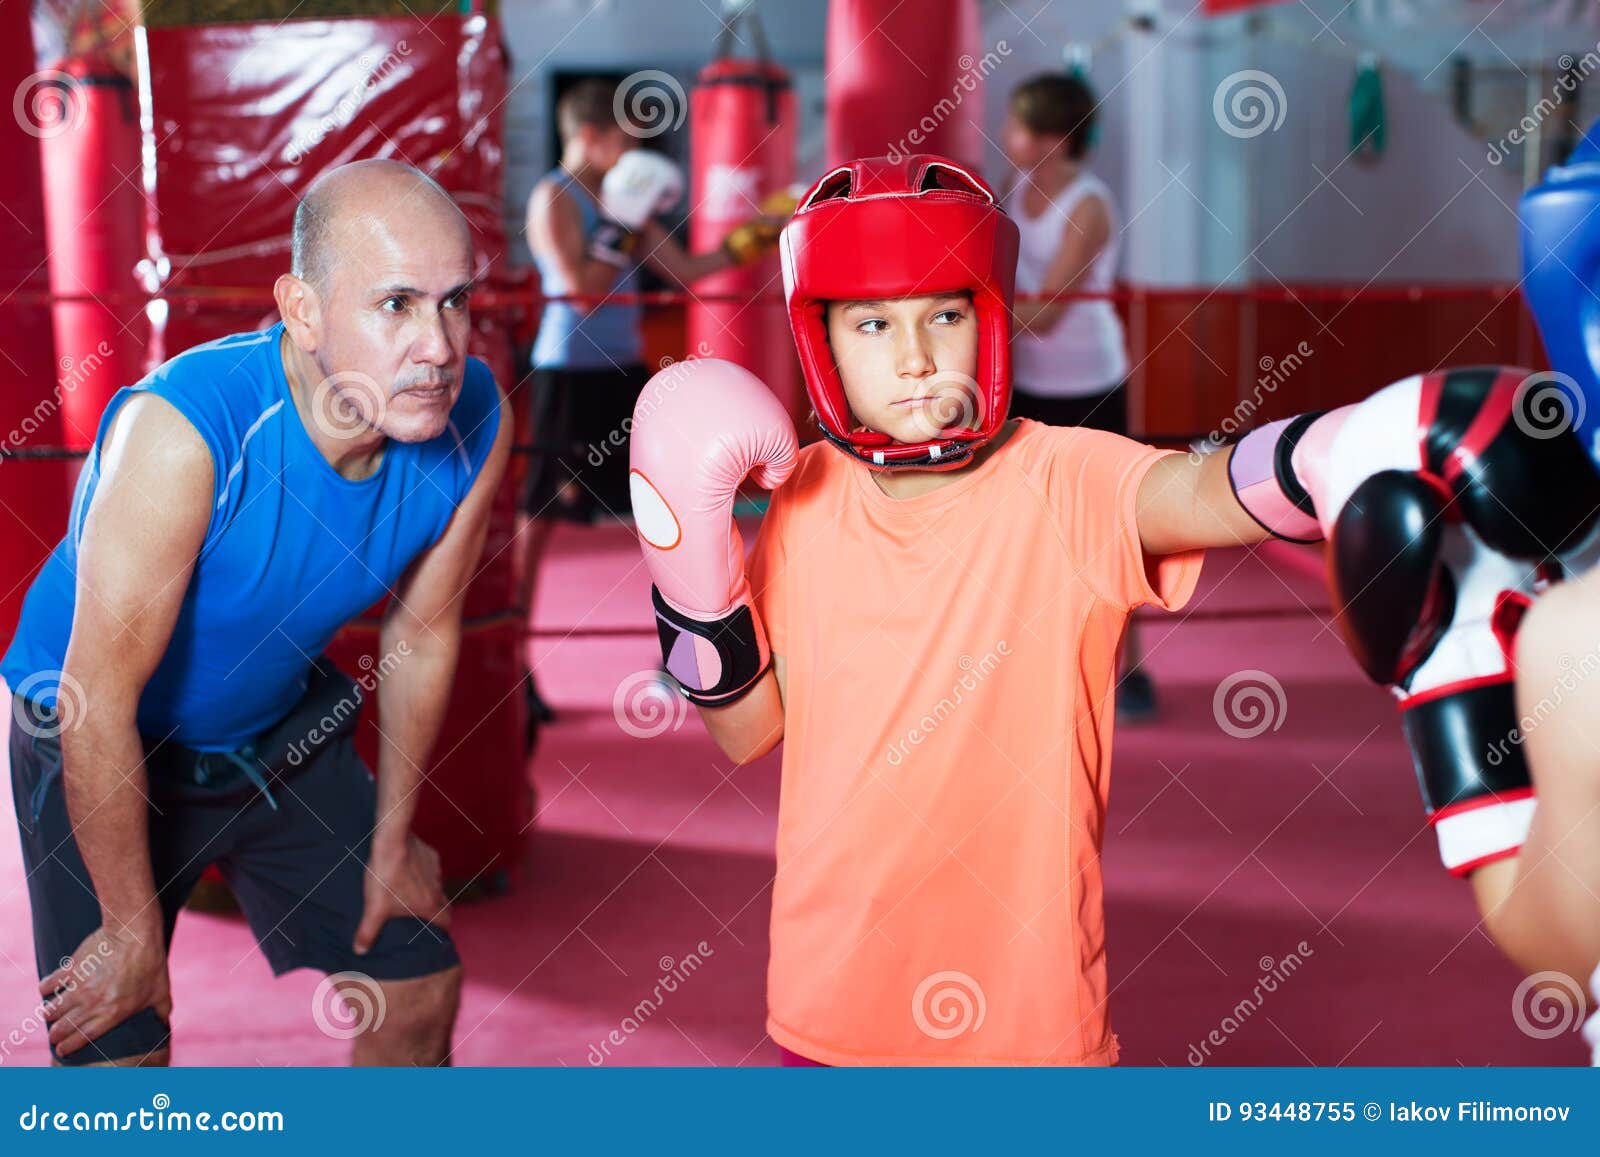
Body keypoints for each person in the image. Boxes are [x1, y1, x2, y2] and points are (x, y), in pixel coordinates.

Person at [625, 154, 1373, 1065]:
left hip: (1028, 1014)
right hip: (831, 988)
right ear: (824, 342)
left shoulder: (1066, 475)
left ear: (987, 319)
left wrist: (1352, 446)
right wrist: (688, 580)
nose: (913, 358)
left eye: (943, 313)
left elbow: (1205, 490)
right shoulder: (806, 494)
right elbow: (747, 733)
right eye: (872, 323)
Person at [4, 159, 511, 1066]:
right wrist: (130, 930)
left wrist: (392, 841)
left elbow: (424, 635)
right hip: (97, 731)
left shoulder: (473, 414)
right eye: (395, 304)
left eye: (455, 301)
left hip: (274, 725)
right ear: (304, 310)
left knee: (418, 991)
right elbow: (94, 696)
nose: (438, 345)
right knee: (117, 1069)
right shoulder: (185, 432)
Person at [516, 77, 779, 726]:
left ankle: (683, 662)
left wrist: (759, 233)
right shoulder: (554, 197)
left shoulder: (620, 200)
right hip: (566, 373)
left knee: (661, 518)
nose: (633, 156)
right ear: (590, 136)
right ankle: (511, 661)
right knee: (537, 521)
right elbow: (580, 291)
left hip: (623, 370)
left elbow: (688, 270)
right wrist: (617, 224)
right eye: (624, 141)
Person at [1000, 72, 1154, 720]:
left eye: (1020, 127)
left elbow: (1045, 312)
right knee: (1030, 528)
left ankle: (1133, 669)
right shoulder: (1016, 188)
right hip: (1028, 380)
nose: (1008, 137)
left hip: (1089, 379)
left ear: (1054, 138)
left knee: (1107, 525)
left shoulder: (1088, 202)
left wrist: (953, 311)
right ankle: (1047, 662)